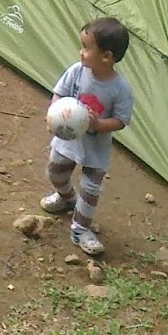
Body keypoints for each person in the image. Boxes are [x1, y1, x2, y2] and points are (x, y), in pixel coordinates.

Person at [39, 17, 135, 257]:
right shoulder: (77, 71)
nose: (80, 52)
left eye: (86, 47)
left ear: (106, 56)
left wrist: (98, 124)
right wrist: (54, 115)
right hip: (68, 139)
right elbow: (59, 93)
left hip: (96, 148)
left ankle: (80, 229)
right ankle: (67, 198)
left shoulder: (120, 89)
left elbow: (121, 120)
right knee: (55, 173)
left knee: (91, 188)